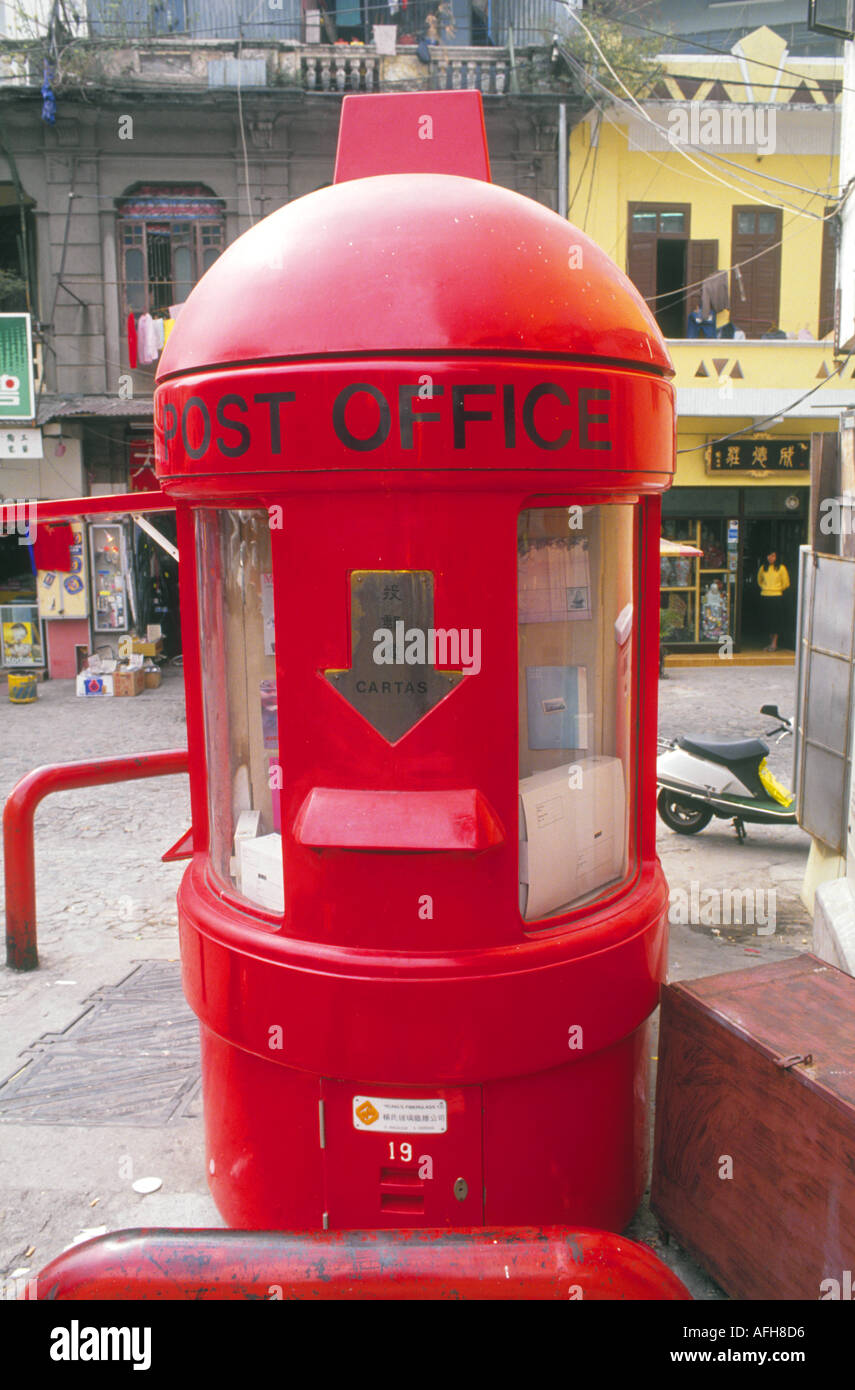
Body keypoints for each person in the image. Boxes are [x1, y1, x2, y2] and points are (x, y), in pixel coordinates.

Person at [757, 550, 790, 651]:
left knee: (775, 621)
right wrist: (765, 587)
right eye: (769, 555)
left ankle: (774, 644)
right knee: (767, 620)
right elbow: (759, 580)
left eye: (773, 555)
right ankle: (771, 643)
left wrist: (777, 589)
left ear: (777, 557)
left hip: (776, 596)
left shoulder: (781, 568)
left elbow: (786, 583)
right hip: (765, 595)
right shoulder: (763, 568)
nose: (770, 558)